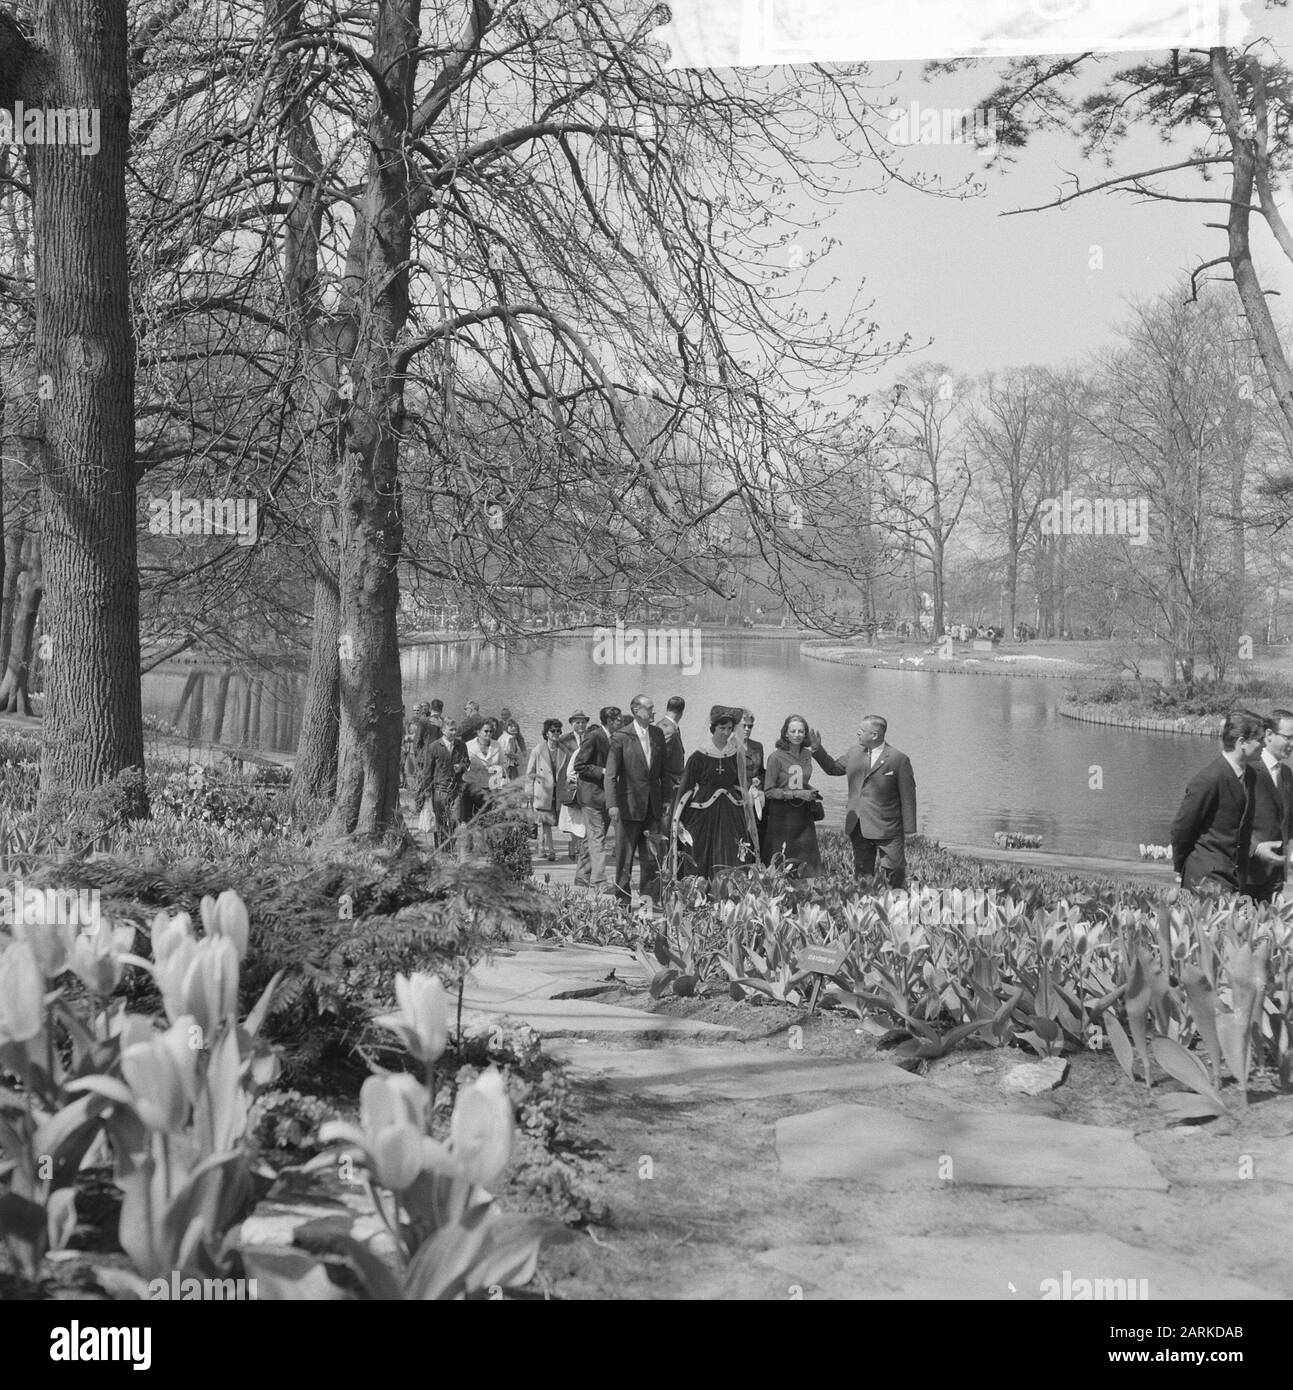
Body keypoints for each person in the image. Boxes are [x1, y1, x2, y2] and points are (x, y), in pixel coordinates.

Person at [812, 714, 917, 888]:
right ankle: (863, 903)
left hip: (887, 827)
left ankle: (896, 903)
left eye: (861, 731)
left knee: (895, 870)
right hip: (858, 825)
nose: (857, 733)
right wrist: (817, 749)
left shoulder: (899, 759)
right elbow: (833, 768)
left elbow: (908, 796)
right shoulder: (854, 752)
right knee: (862, 873)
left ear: (875, 735)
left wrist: (909, 828)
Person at [1171, 709, 1265, 894]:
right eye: (1260, 740)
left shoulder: (1251, 775)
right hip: (1206, 877)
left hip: (1236, 876)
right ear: (1242, 743)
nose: (1264, 744)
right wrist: (1183, 867)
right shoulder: (1209, 779)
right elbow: (1182, 829)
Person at [676, 706, 759, 879]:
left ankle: (731, 889)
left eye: (729, 729)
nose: (726, 732)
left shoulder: (735, 754)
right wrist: (678, 818)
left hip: (731, 812)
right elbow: (685, 787)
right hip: (703, 812)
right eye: (722, 728)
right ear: (713, 728)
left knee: (733, 848)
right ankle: (700, 891)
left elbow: (740, 783)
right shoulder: (698, 756)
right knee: (701, 849)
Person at [604, 694, 668, 905]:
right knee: (625, 858)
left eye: (653, 708)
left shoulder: (658, 734)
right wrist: (612, 804)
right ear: (635, 710)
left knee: (652, 858)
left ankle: (649, 905)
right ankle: (623, 904)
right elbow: (611, 774)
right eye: (649, 708)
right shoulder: (621, 737)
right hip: (627, 806)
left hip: (653, 807)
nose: (653, 712)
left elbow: (664, 771)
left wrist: (666, 800)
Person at [761, 713, 834, 877]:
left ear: (805, 733)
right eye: (793, 731)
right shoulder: (775, 757)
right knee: (780, 861)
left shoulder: (807, 755)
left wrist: (810, 790)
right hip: (782, 815)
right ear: (785, 733)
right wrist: (796, 794)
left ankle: (806, 892)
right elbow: (769, 791)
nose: (797, 735)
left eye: (801, 731)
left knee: (806, 860)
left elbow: (800, 779)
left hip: (803, 814)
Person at [1245, 709, 1293, 903]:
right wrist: (1254, 848)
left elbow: (1288, 820)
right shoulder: (1248, 769)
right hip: (1248, 874)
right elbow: (1229, 821)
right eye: (1288, 738)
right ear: (1269, 735)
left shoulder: (1287, 773)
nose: (1292, 744)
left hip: (1275, 877)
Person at [573, 705, 621, 891]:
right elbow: (580, 765)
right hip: (592, 796)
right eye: (618, 720)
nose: (621, 722)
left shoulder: (615, 738)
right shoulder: (594, 736)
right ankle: (599, 881)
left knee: (591, 838)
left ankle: (581, 876)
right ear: (609, 720)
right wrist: (602, 771)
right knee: (598, 838)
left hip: (606, 797)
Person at [417, 718, 469, 850]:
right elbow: (427, 770)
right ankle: (440, 849)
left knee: (455, 820)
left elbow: (467, 762)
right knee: (440, 821)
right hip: (439, 789)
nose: (453, 732)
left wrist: (462, 766)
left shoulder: (461, 745)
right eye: (451, 730)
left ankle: (450, 847)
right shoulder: (434, 746)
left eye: (455, 729)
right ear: (443, 730)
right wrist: (426, 790)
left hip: (456, 788)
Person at [525, 719, 569, 861]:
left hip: (557, 792)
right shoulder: (538, 750)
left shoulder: (564, 750)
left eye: (558, 730)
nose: (556, 733)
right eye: (553, 731)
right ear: (546, 733)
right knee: (545, 821)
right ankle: (549, 849)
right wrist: (529, 791)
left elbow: (568, 772)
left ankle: (542, 847)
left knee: (549, 821)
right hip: (542, 792)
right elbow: (530, 772)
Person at [461, 718, 504, 822]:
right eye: (486, 731)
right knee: (470, 820)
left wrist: (498, 790)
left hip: (488, 788)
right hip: (471, 787)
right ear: (478, 732)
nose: (488, 734)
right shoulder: (468, 746)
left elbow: (500, 767)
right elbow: (464, 767)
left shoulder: (497, 746)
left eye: (490, 731)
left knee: (485, 819)